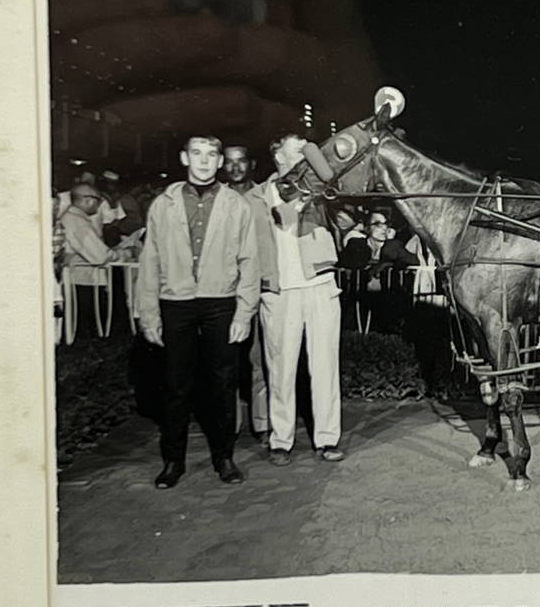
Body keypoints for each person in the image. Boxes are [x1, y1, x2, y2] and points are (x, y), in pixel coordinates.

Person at [134, 134, 260, 489]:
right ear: (184, 157)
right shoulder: (163, 204)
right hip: (177, 303)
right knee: (176, 385)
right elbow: (150, 262)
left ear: (220, 162)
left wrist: (243, 313)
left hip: (220, 302)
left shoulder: (236, 205)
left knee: (222, 384)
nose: (204, 161)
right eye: (197, 154)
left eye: (211, 155)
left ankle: (224, 458)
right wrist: (149, 315)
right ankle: (173, 461)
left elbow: (250, 260)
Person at [250, 130, 343, 465]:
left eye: (308, 153)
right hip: (279, 292)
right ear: (278, 156)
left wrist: (319, 171)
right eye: (297, 153)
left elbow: (343, 213)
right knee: (280, 368)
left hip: (319, 285)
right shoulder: (257, 197)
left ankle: (328, 439)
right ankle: (281, 440)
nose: (305, 158)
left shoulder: (319, 190)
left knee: (325, 367)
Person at [339, 212, 413, 336]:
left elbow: (412, 260)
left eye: (386, 224)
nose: (384, 229)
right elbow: (350, 261)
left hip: (385, 303)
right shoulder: (357, 243)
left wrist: (384, 262)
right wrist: (377, 266)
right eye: (378, 224)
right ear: (367, 228)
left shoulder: (394, 246)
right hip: (356, 301)